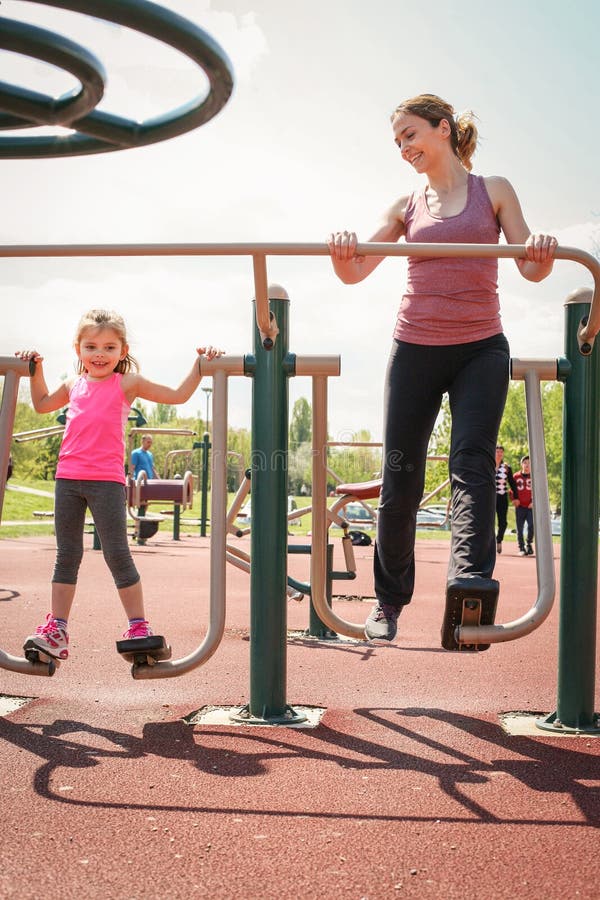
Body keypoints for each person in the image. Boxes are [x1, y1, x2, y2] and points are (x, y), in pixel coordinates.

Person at [328, 93, 556, 641]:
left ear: (443, 129)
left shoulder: (493, 190)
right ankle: (388, 604)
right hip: (416, 346)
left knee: (471, 466)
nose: (404, 148)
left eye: (410, 135)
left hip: (481, 347)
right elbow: (356, 272)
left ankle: (469, 588)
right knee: (400, 478)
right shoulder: (405, 206)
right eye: (398, 141)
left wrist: (540, 250)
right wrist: (343, 251)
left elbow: (530, 268)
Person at [15, 308, 222, 662]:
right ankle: (58, 629)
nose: (99, 354)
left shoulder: (127, 383)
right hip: (67, 478)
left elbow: (177, 395)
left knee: (117, 554)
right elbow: (40, 404)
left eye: (109, 347)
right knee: (67, 556)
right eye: (91, 346)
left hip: (106, 482)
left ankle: (138, 625)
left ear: (122, 351)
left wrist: (199, 365)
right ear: (78, 349)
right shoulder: (72, 384)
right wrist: (35, 369)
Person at [495, 445, 517, 554]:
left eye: (501, 452)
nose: (499, 454)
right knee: (487, 521)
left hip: (502, 496)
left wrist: (516, 497)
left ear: (503, 454)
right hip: (489, 498)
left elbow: (512, 483)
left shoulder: (506, 467)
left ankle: (499, 540)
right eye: (497, 451)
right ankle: (489, 542)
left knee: (503, 522)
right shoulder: (488, 465)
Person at [511, 455, 534, 556]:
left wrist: (534, 502)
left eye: (529, 463)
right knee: (519, 528)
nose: (527, 465)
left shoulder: (534, 476)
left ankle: (528, 544)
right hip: (520, 506)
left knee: (531, 526)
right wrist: (514, 499)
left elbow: (538, 490)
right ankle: (521, 547)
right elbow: (511, 490)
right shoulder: (516, 476)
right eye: (525, 463)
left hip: (530, 507)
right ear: (521, 464)